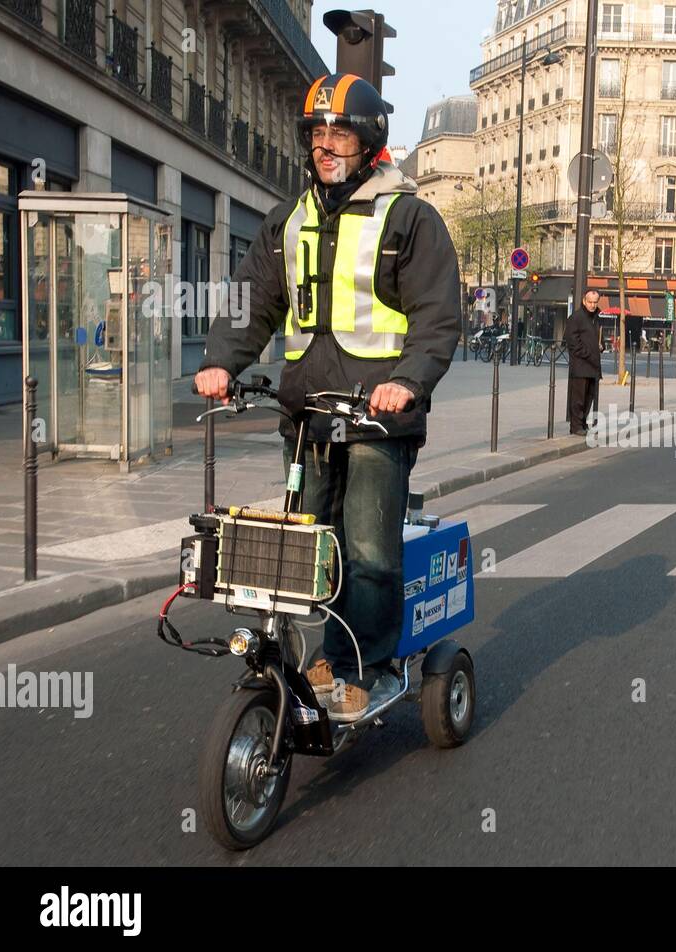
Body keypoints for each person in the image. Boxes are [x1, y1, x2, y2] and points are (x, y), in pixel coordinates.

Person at [194, 73, 460, 721]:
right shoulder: (289, 221)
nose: (324, 144)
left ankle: (361, 666)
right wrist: (221, 363)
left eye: (338, 132)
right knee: (309, 548)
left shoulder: (409, 219)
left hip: (378, 418)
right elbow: (250, 300)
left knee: (368, 551)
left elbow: (437, 316)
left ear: (368, 141)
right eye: (316, 133)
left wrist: (408, 381)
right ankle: (316, 656)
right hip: (307, 420)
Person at [565, 289, 603, 434]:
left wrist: (601, 346)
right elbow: (573, 342)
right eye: (590, 302)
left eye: (595, 302)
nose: (593, 305)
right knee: (578, 398)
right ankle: (575, 426)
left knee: (589, 396)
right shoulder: (576, 318)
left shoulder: (595, 318)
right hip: (581, 364)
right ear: (584, 301)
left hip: (593, 365)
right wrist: (589, 353)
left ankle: (582, 423)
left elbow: (597, 337)